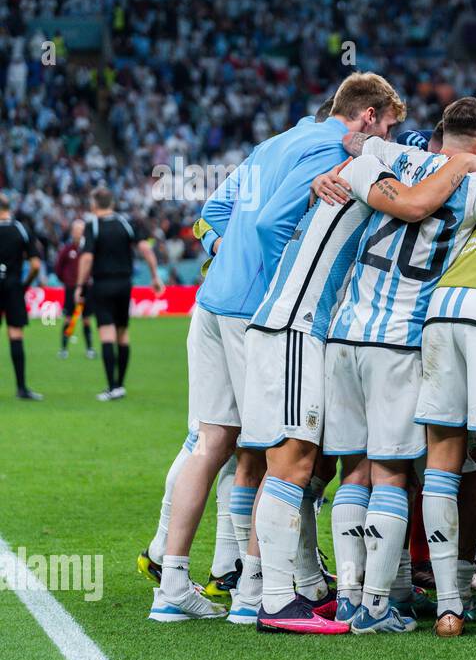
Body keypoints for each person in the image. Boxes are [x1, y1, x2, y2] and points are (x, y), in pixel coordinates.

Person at [147, 73, 403, 625]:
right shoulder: (329, 149)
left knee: (212, 439)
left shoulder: (275, 142)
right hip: (258, 311)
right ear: (366, 116)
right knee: (275, 452)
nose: (384, 138)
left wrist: (229, 253)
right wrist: (277, 278)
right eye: (385, 127)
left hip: (212, 299)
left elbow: (212, 217)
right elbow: (267, 223)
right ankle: (258, 592)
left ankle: (171, 581)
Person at [318, 97, 476, 634]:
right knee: (393, 472)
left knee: (356, 470)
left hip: (345, 332)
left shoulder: (382, 152)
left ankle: (354, 596)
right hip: (401, 337)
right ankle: (376, 607)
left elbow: (352, 170)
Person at [74, 186, 165, 401]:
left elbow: (86, 259)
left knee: (106, 333)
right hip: (125, 283)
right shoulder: (126, 223)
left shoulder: (92, 225)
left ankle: (112, 386)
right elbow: (145, 249)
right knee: (123, 333)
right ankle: (121, 385)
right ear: (112, 203)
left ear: (94, 204)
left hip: (103, 284)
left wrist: (80, 285)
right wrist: (155, 276)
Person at [0, 193, 42, 400]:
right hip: (13, 285)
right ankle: (21, 388)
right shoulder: (21, 229)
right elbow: (35, 265)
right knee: (15, 334)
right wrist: (24, 284)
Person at [55, 219, 94, 359]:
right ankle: (64, 349)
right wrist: (67, 281)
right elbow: (58, 269)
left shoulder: (88, 249)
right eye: (77, 230)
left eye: (81, 230)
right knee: (68, 319)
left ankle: (90, 349)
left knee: (86, 319)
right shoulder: (67, 250)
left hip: (86, 288)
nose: (79, 233)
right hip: (71, 289)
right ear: (72, 232)